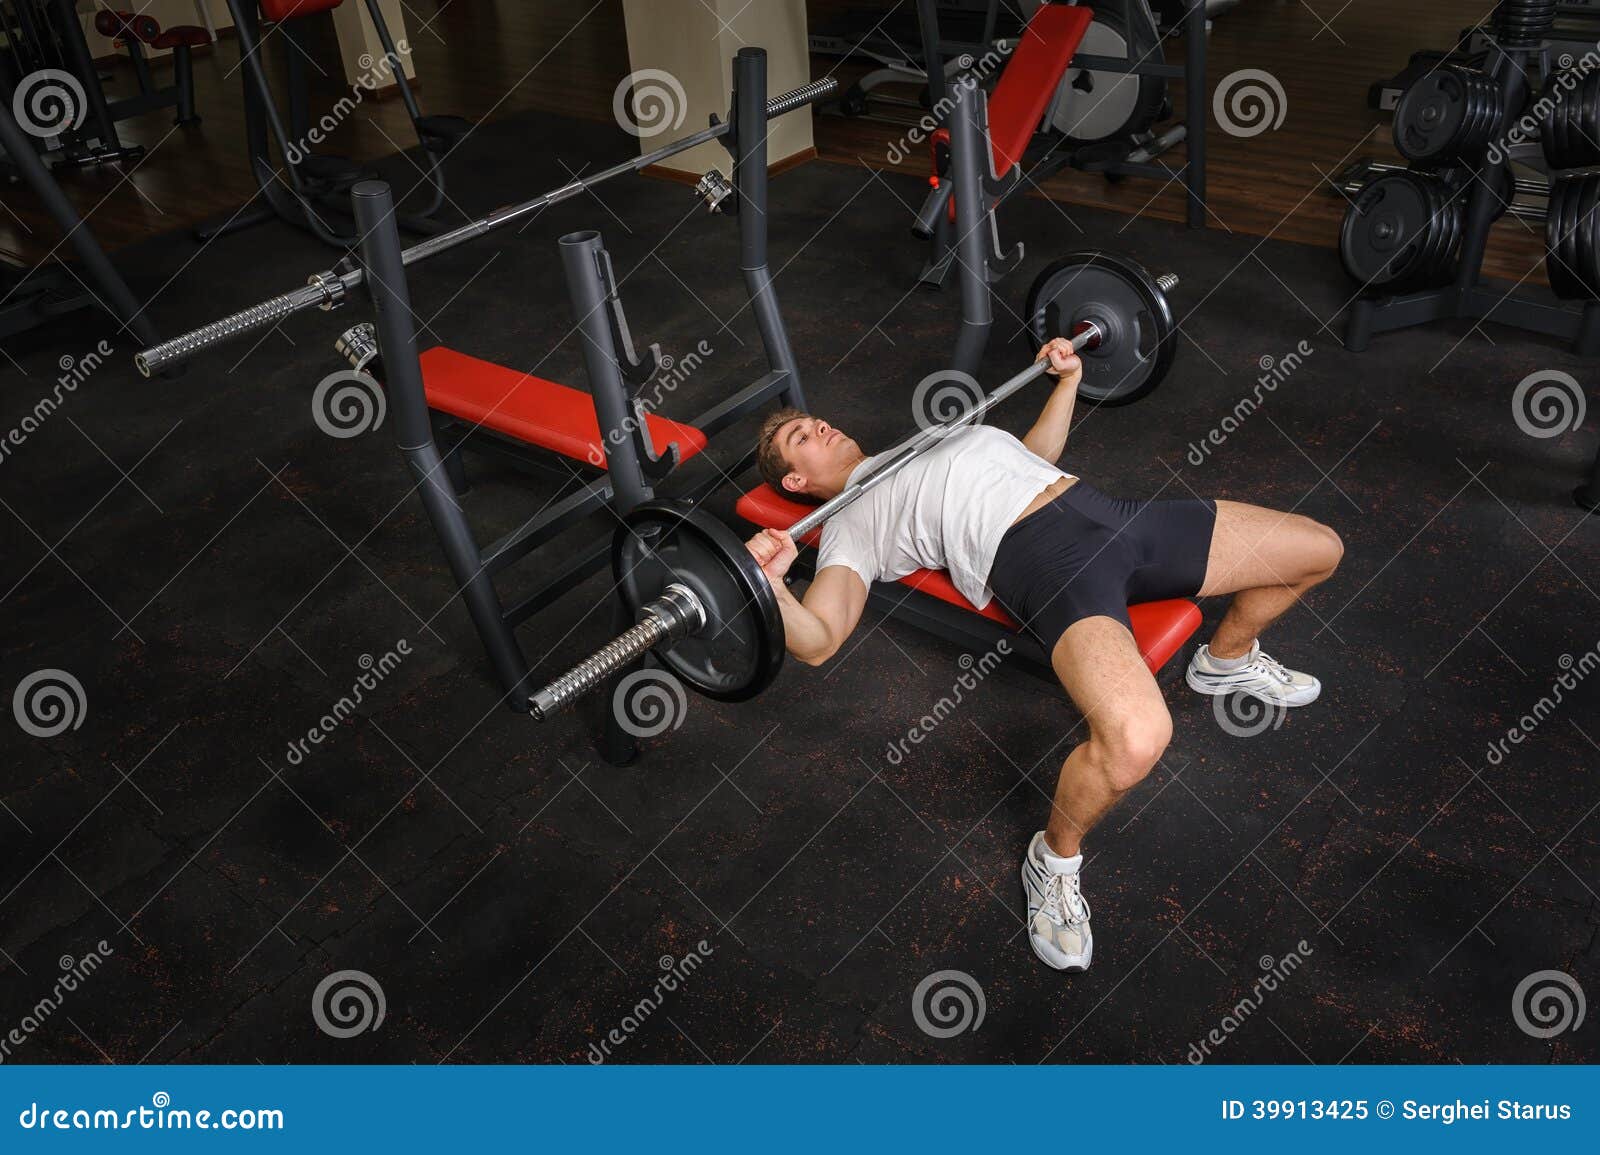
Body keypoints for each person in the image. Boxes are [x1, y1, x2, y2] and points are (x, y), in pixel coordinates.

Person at [745, 338, 1343, 971]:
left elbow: (1033, 457)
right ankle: (1053, 860)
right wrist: (774, 586)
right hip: (1049, 566)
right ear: (795, 481)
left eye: (818, 421)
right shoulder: (850, 522)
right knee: (1136, 741)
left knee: (1318, 549)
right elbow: (819, 641)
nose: (823, 426)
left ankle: (1225, 661)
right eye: (804, 436)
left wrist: (1067, 381)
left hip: (1113, 517)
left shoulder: (922, 442)